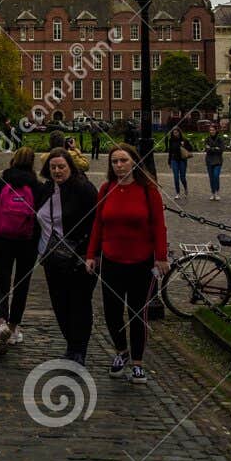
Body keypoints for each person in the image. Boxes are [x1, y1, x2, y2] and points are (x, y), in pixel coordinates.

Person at [87, 144, 168, 385]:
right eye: (115, 162)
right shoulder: (106, 189)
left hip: (141, 262)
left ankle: (138, 363)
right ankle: (121, 351)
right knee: (111, 312)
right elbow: (97, 225)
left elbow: (158, 226)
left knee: (137, 313)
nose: (119, 165)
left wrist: (161, 256)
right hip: (112, 260)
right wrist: (92, 254)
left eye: (123, 161)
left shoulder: (148, 190)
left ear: (134, 162)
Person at [35, 147, 98, 365]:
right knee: (60, 304)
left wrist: (92, 254)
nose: (57, 171)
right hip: (52, 258)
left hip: (80, 258)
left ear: (70, 167)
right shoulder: (45, 190)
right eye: (53, 167)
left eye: (61, 166)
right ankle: (71, 344)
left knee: (79, 303)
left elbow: (96, 223)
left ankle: (78, 349)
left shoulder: (84, 190)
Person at [0, 146, 44, 354]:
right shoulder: (38, 187)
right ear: (32, 163)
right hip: (27, 243)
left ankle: (1, 321)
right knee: (22, 285)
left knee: (1, 282)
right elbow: (41, 218)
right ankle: (13, 328)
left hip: (3, 241)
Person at [165, 124, 192, 197]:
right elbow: (170, 151)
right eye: (174, 133)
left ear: (179, 132)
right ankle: (178, 193)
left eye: (177, 132)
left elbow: (190, 148)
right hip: (174, 160)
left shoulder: (184, 140)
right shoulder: (171, 140)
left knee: (182, 177)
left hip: (182, 160)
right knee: (176, 177)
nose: (175, 134)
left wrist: (184, 145)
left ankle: (185, 188)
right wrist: (169, 161)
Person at [204, 124, 225, 199]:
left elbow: (221, 150)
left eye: (213, 130)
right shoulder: (207, 139)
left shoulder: (220, 139)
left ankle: (217, 191)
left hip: (218, 161)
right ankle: (212, 192)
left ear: (216, 130)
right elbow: (207, 150)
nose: (211, 131)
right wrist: (215, 148)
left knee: (216, 176)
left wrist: (211, 148)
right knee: (211, 177)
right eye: (210, 130)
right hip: (209, 161)